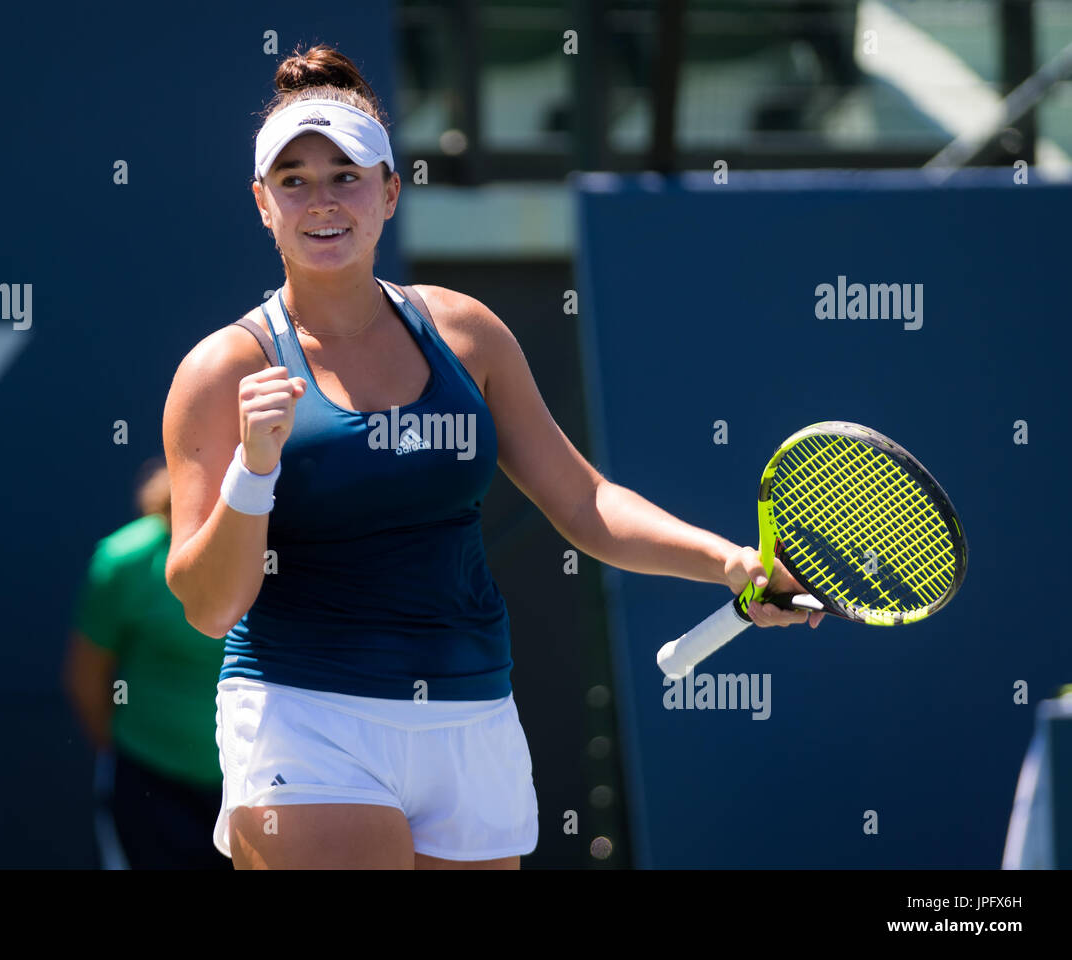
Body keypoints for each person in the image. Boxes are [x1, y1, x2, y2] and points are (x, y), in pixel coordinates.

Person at [161, 44, 824, 870]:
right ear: (263, 203)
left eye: (347, 175)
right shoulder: (223, 370)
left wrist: (730, 561)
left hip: (470, 712)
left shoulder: (466, 332)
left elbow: (585, 503)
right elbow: (207, 605)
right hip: (304, 713)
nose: (321, 200)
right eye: (293, 179)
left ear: (391, 191)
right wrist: (253, 472)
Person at [65, 459, 231, 869]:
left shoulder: (278, 554)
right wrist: (127, 756)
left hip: (249, 782)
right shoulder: (124, 561)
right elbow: (86, 678)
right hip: (149, 781)